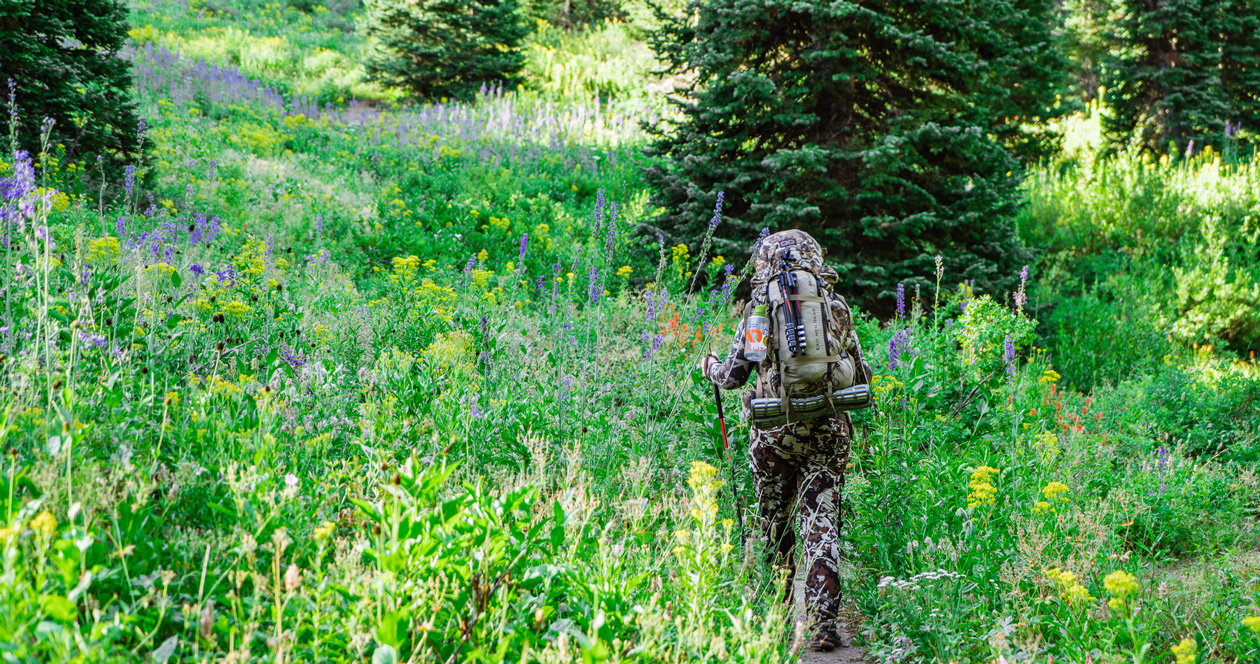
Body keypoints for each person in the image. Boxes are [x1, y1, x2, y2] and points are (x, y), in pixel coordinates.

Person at [697, 230, 871, 652]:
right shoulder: (836, 307)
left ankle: (774, 624)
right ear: (814, 261)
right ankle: (823, 626)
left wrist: (710, 367)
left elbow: (737, 375)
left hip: (774, 437)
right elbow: (862, 373)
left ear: (767, 263)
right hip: (829, 431)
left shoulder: (759, 313)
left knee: (776, 528)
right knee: (822, 524)